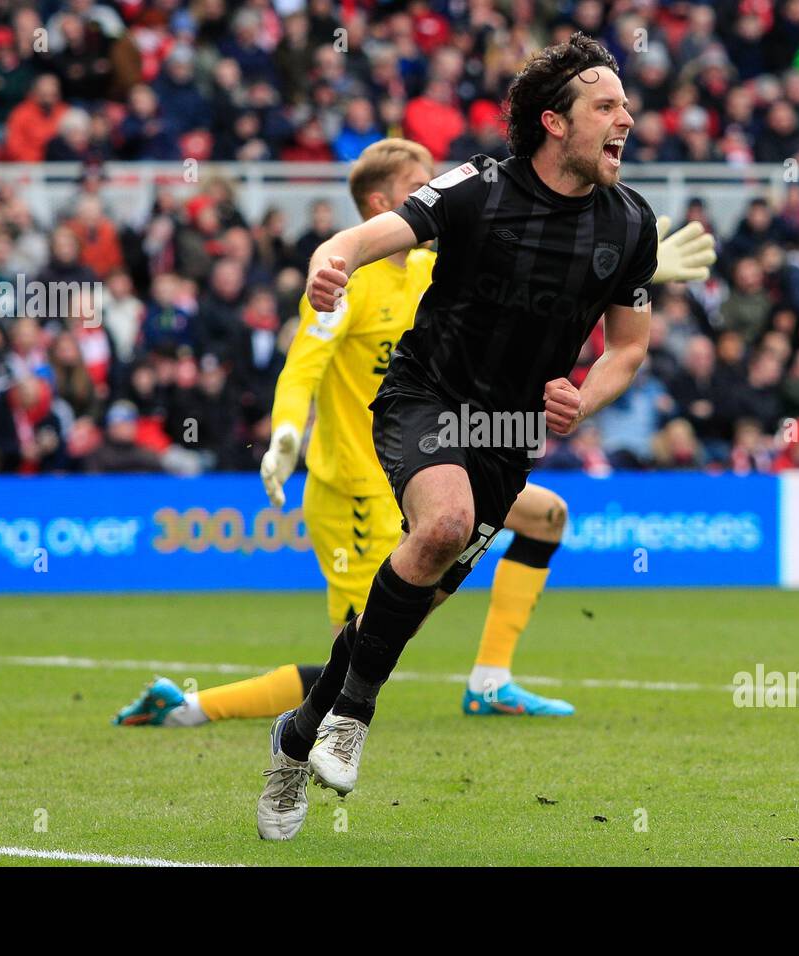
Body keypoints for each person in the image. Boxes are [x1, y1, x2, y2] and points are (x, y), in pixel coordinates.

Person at [112, 137, 714, 734]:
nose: (436, 189)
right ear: (382, 206)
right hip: (356, 487)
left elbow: (528, 272)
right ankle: (190, 707)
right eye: (418, 182)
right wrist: (286, 435)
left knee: (545, 516)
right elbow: (301, 367)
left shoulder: (432, 268)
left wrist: (639, 263)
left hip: (441, 461)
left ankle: (490, 682)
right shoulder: (348, 284)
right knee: (364, 646)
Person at [255, 33, 665, 841]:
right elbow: (377, 233)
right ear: (555, 121)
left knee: (411, 602)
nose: (628, 116)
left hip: (510, 436)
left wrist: (581, 400)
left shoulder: (632, 224)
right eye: (607, 105)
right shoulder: (480, 186)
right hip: (426, 396)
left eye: (625, 103)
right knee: (439, 526)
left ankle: (298, 732)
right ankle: (355, 717)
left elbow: (629, 348)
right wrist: (330, 259)